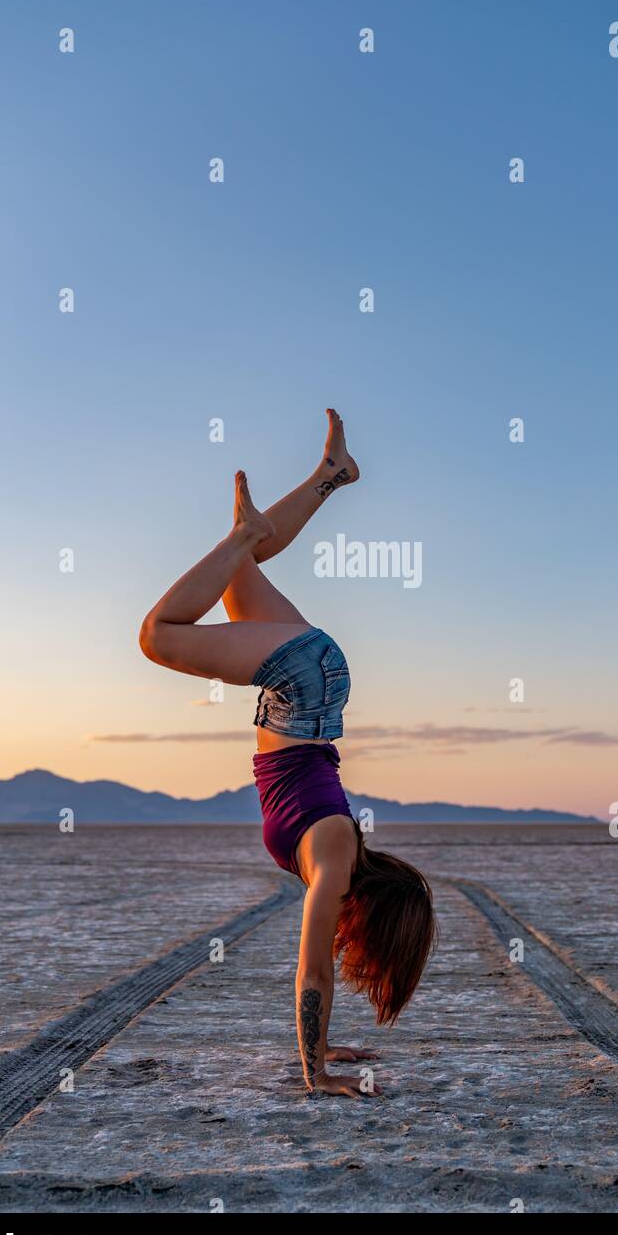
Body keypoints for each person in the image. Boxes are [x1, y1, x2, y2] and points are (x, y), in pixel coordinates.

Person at [140, 410, 437, 1098]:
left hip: (315, 687)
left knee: (239, 563)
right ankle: (250, 528)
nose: (352, 946)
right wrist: (316, 1075)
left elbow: (321, 979)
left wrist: (326, 1043)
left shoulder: (339, 855)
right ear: (372, 913)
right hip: (301, 688)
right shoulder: (334, 861)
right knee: (159, 635)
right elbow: (313, 973)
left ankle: (330, 477)